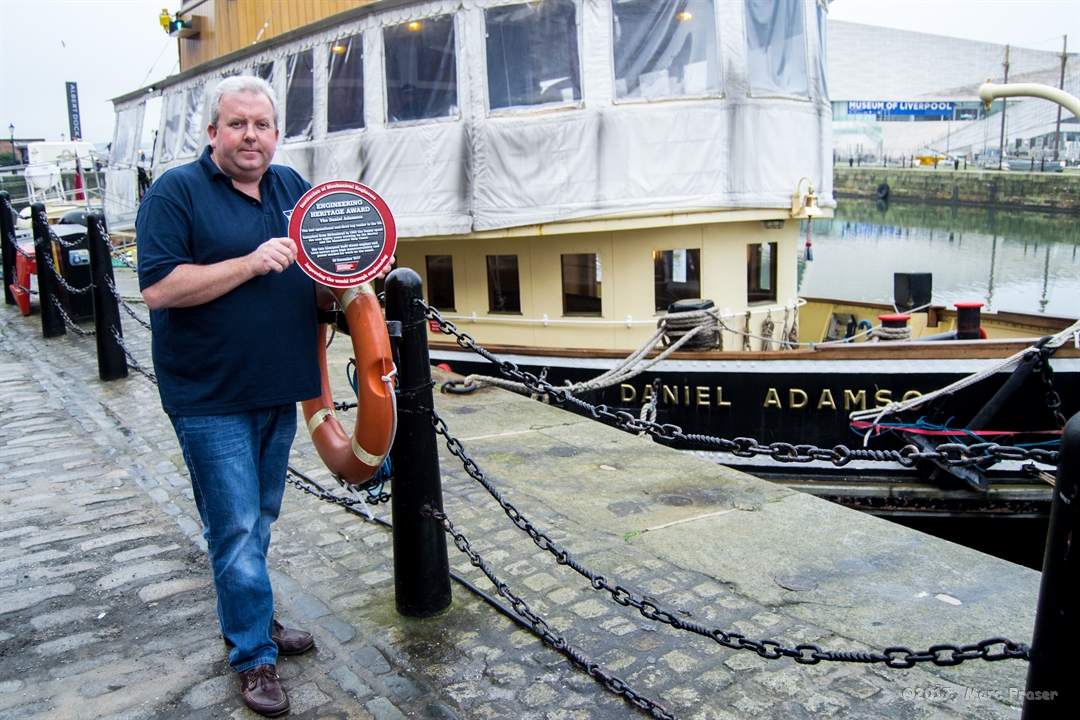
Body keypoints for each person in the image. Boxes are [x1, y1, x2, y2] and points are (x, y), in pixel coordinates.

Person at [136, 75, 319, 717]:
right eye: (237, 124)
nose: (251, 136)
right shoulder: (175, 192)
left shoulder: (292, 187)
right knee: (234, 527)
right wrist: (249, 261)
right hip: (210, 395)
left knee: (259, 519)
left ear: (276, 132)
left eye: (261, 124)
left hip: (279, 385)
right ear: (212, 132)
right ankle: (253, 659)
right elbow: (158, 287)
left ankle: (254, 619)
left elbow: (324, 264)